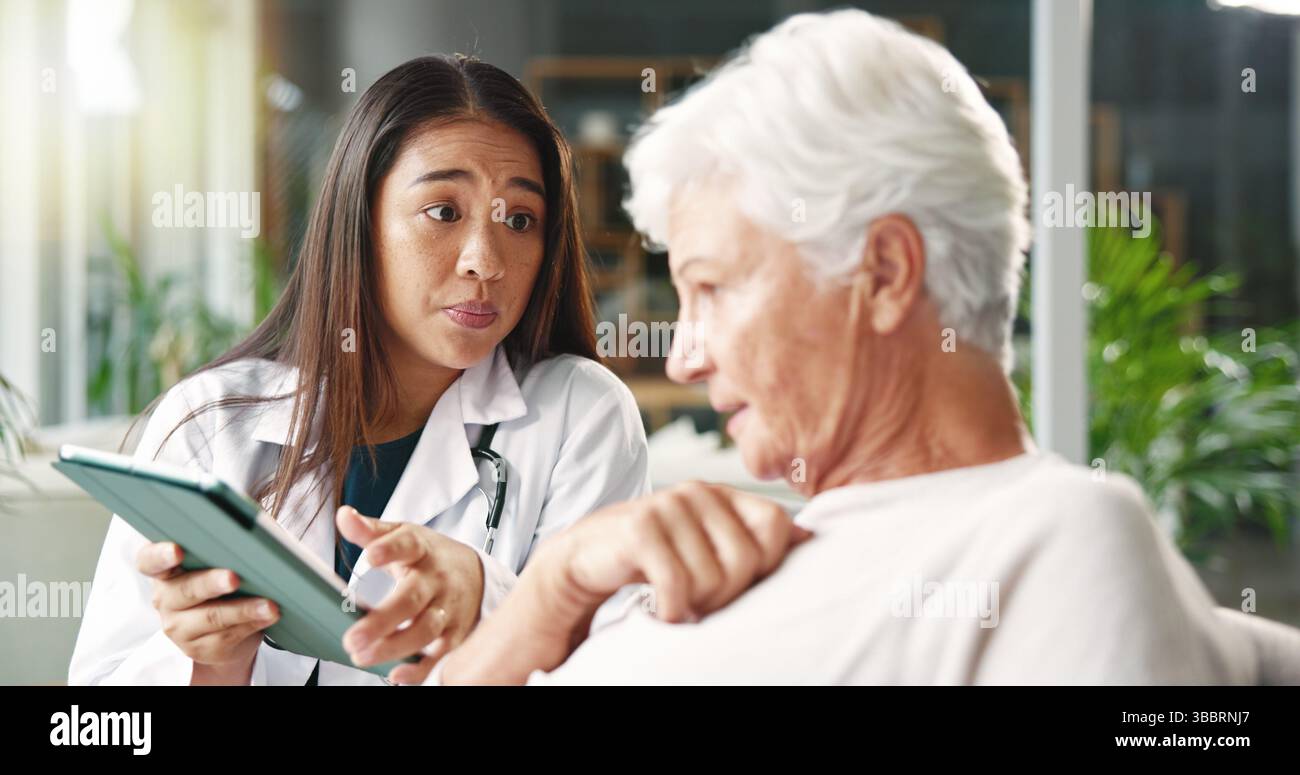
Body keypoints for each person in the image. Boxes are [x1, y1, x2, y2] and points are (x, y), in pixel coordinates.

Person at [412, 9, 1300, 685]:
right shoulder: (731, 551)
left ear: (882, 273)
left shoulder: (1053, 540)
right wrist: (555, 586)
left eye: (713, 288)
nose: (683, 356)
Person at [69, 55, 650, 686]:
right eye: (444, 211)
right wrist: (210, 665)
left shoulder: (581, 414)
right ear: (360, 219)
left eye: (519, 220)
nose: (486, 261)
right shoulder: (207, 422)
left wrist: (489, 604)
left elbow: (611, 669)